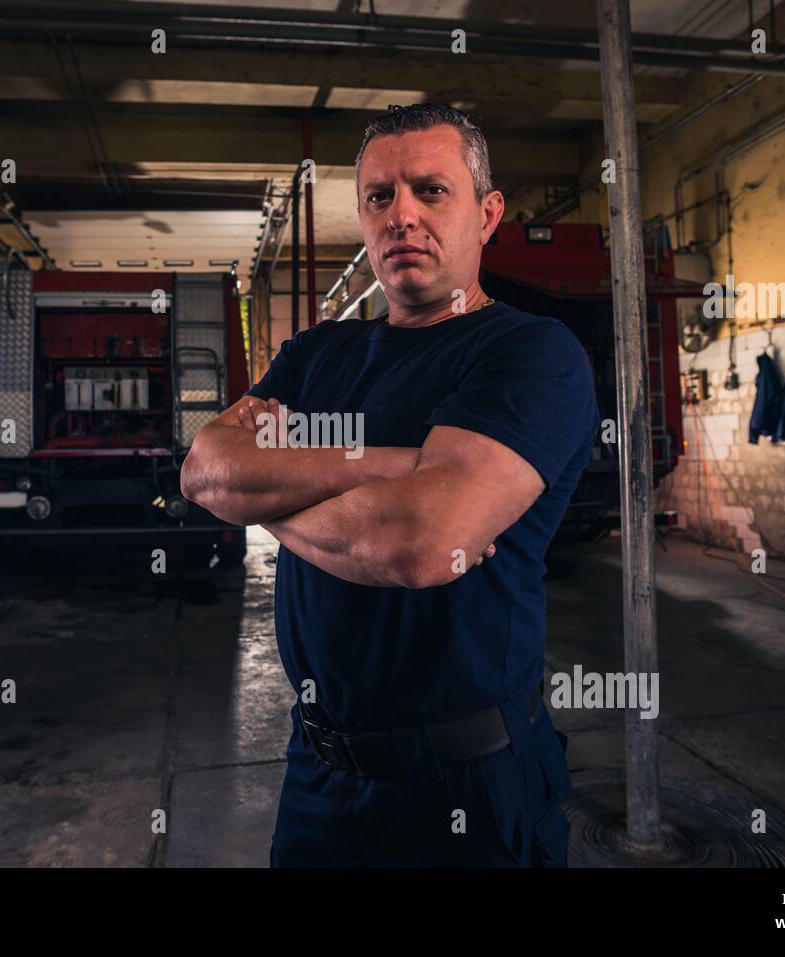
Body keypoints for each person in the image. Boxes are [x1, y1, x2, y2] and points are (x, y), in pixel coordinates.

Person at [180, 104, 598, 866]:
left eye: (431, 191)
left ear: (488, 212)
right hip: (317, 778)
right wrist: (400, 465)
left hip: (466, 785)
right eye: (380, 195)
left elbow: (419, 542)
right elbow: (206, 467)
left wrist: (269, 494)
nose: (401, 214)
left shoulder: (532, 354)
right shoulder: (316, 356)